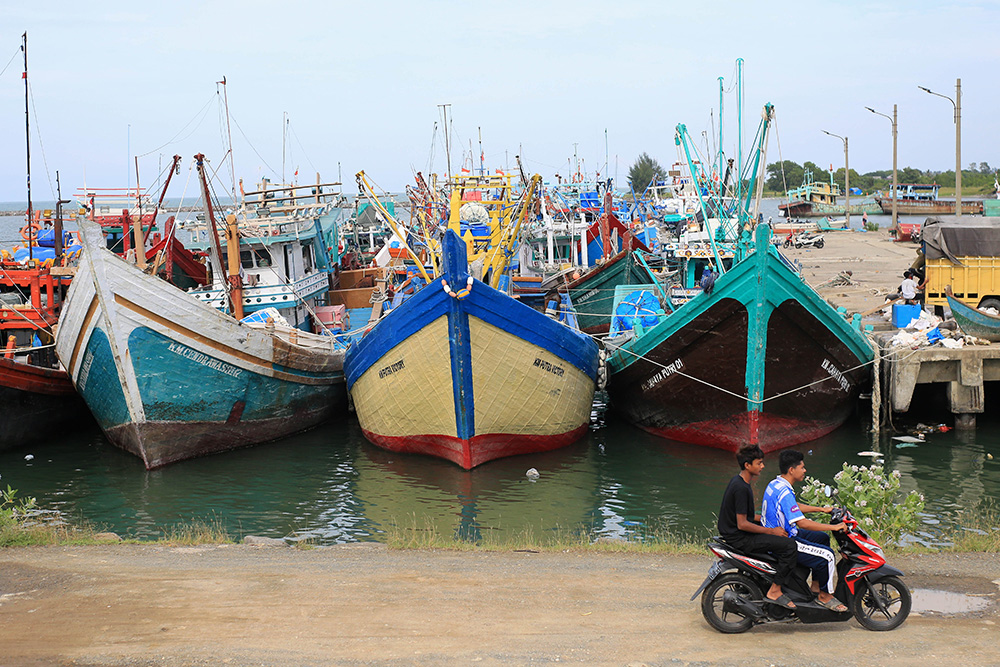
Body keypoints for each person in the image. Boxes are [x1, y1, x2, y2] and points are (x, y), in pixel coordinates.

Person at [761, 450, 848, 612]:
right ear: (792, 470)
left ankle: (815, 586)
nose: (805, 470)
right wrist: (834, 527)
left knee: (821, 538)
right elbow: (803, 524)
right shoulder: (785, 492)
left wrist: (822, 509)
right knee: (828, 556)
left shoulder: (776, 484)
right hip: (785, 542)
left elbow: (793, 507)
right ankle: (825, 596)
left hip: (776, 536)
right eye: (802, 467)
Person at [717, 444, 799, 609]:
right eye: (759, 463)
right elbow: (742, 523)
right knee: (790, 546)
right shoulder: (741, 488)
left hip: (735, 533)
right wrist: (771, 531)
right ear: (748, 465)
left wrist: (766, 519)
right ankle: (775, 591)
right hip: (739, 538)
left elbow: (747, 516)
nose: (762, 466)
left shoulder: (739, 481)